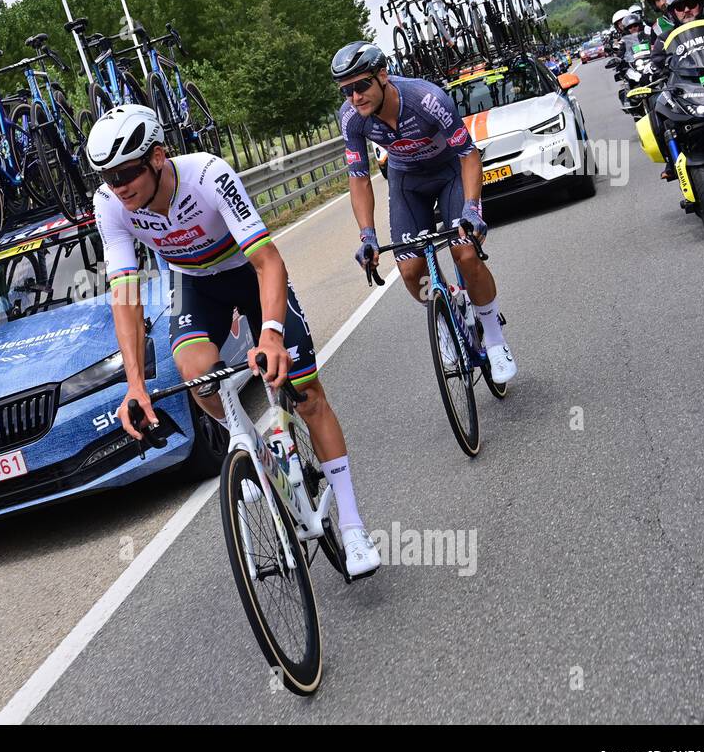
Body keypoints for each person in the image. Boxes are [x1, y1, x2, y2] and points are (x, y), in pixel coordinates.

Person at [89, 104, 381, 578]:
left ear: (158, 157)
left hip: (248, 273)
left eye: (126, 172)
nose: (118, 186)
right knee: (197, 375)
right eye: (107, 176)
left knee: (306, 396)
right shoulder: (111, 206)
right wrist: (135, 386)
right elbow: (124, 295)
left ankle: (351, 524)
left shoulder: (208, 175)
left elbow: (268, 262)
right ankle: (249, 447)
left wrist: (270, 334)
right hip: (193, 284)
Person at [332, 41, 517, 383]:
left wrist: (472, 209)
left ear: (383, 75)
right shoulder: (351, 119)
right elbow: (358, 178)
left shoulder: (426, 99)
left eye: (361, 86)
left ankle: (493, 336)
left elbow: (468, 153)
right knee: (409, 271)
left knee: (465, 252)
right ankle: (447, 322)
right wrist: (367, 235)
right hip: (407, 181)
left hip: (449, 173)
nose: (355, 97)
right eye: (346, 91)